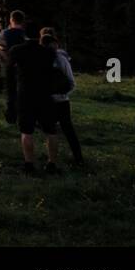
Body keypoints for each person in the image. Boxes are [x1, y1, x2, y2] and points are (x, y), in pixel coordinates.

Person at [5, 28, 64, 174]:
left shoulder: (17, 50)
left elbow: (9, 75)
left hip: (25, 93)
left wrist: (10, 100)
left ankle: (29, 163)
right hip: (44, 93)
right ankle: (52, 163)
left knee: (26, 131)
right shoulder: (48, 52)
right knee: (51, 130)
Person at [42, 28, 83, 166]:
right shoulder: (61, 59)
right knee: (68, 130)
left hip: (46, 100)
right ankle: (78, 158)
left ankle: (51, 159)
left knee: (50, 131)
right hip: (62, 100)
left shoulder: (38, 60)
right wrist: (63, 93)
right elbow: (71, 82)